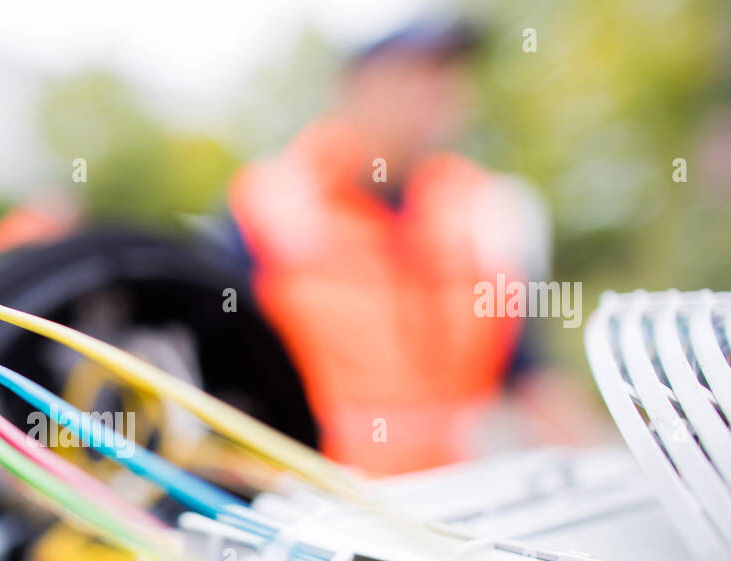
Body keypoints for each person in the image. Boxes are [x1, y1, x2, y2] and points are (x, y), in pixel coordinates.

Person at [228, 21, 573, 474]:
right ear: (351, 84)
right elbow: (220, 387)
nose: (435, 90)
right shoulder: (267, 206)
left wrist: (613, 483)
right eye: (412, 69)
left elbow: (533, 378)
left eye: (447, 71)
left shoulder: (483, 212)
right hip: (316, 508)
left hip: (446, 515)